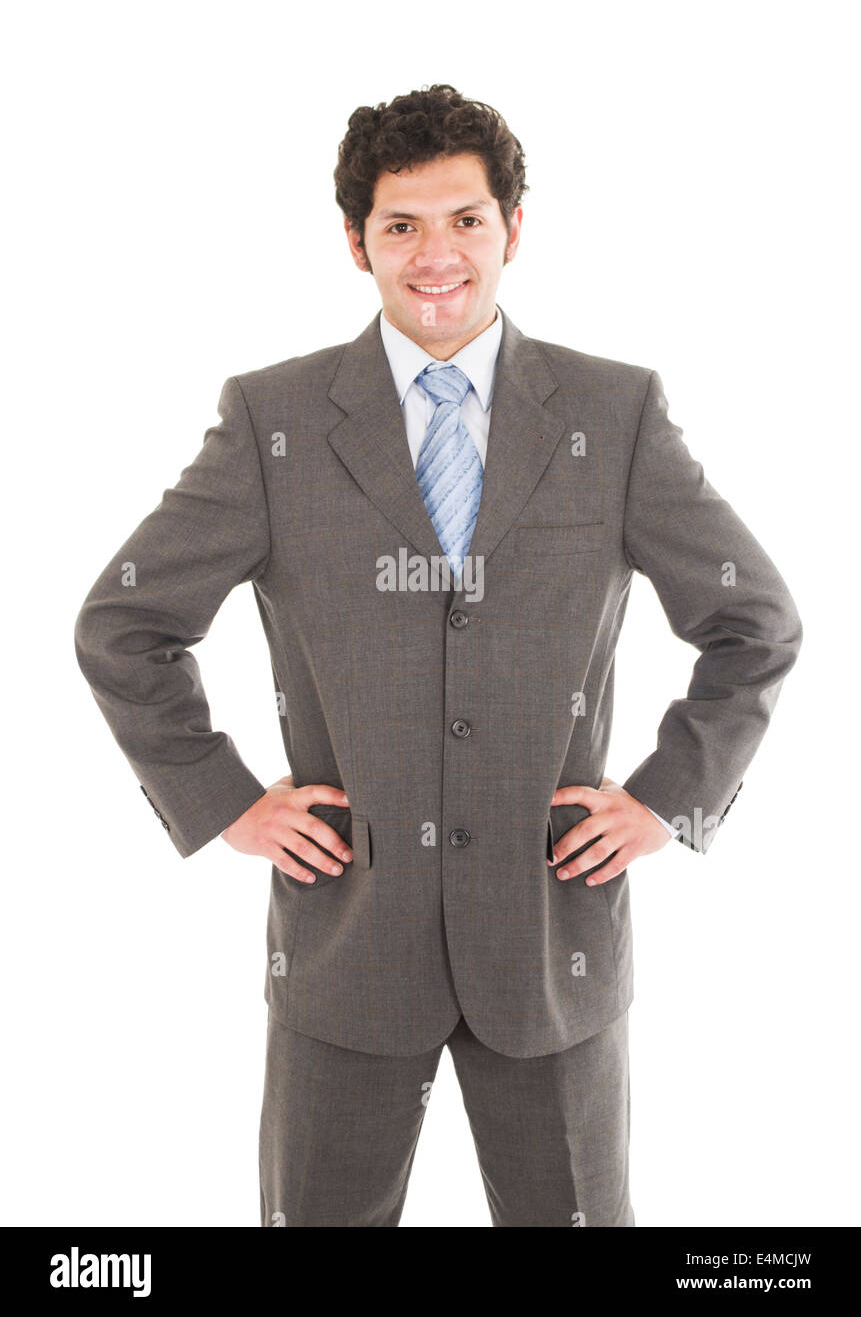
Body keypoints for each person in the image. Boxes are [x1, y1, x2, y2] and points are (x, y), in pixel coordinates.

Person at [74, 83, 802, 1227]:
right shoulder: (274, 421)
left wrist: (670, 800)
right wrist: (224, 801)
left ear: (516, 228)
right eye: (401, 225)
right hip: (346, 947)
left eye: (466, 219)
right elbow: (122, 624)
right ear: (355, 241)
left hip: (553, 937)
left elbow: (755, 620)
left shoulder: (613, 416)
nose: (436, 256)